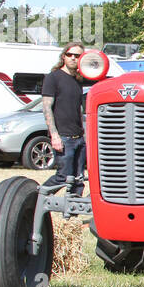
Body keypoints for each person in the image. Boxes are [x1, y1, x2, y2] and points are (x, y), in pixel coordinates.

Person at [41, 45, 87, 194]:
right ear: (63, 57)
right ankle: (37, 199)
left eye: (78, 55)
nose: (73, 58)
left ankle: (73, 208)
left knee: (78, 178)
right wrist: (54, 136)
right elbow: (47, 108)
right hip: (63, 137)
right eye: (70, 54)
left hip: (79, 137)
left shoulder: (78, 80)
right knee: (63, 176)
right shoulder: (53, 77)